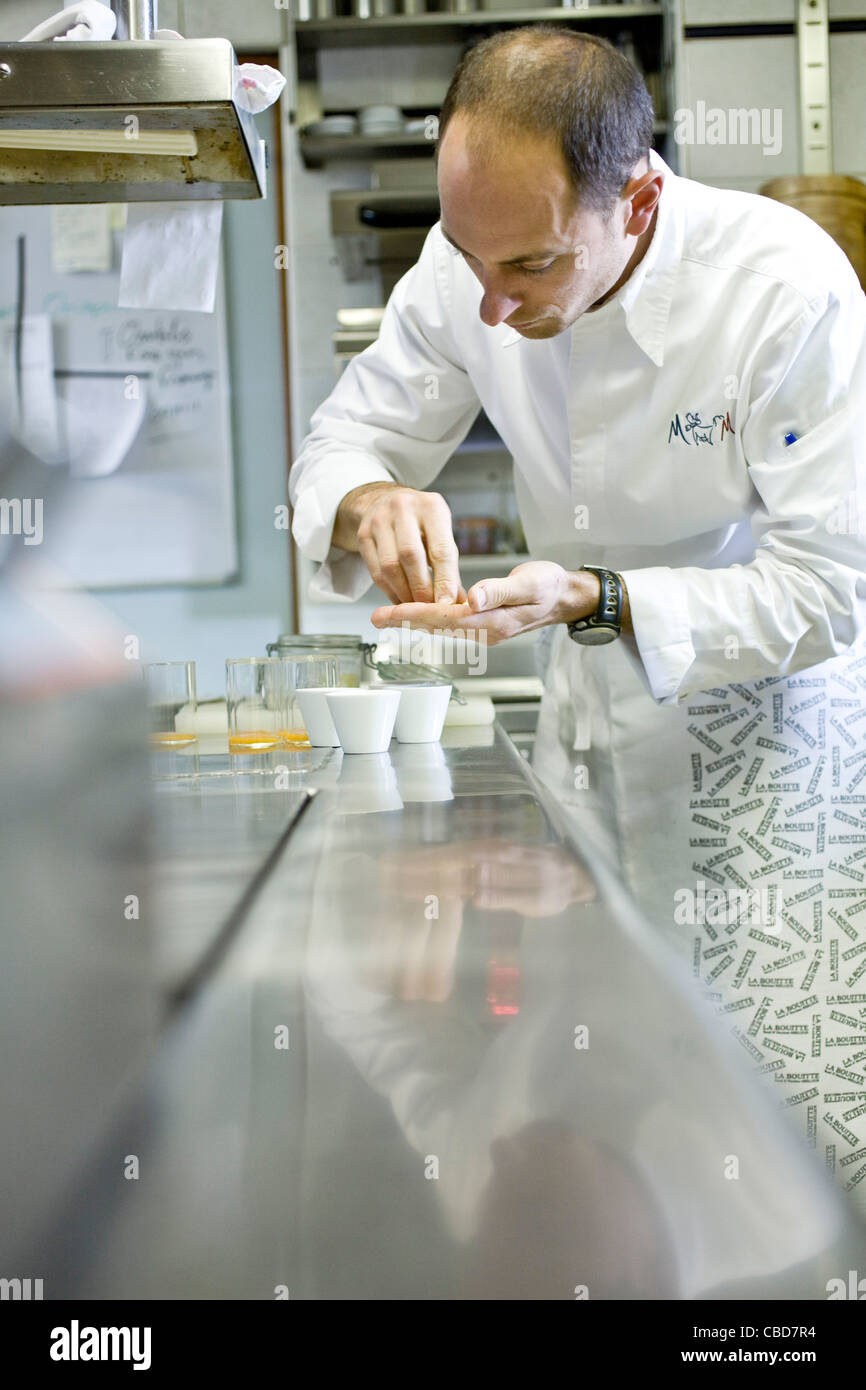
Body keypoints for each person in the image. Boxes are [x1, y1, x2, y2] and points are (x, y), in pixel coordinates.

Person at [289, 27, 866, 1210]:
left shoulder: (782, 290)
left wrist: (596, 597)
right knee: (592, 1092)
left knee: (781, 1144)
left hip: (766, 761)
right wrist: (365, 498)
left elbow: (831, 584)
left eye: (534, 267)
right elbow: (347, 435)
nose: (489, 308)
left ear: (639, 198)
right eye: (468, 257)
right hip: (592, 740)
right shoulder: (474, 267)